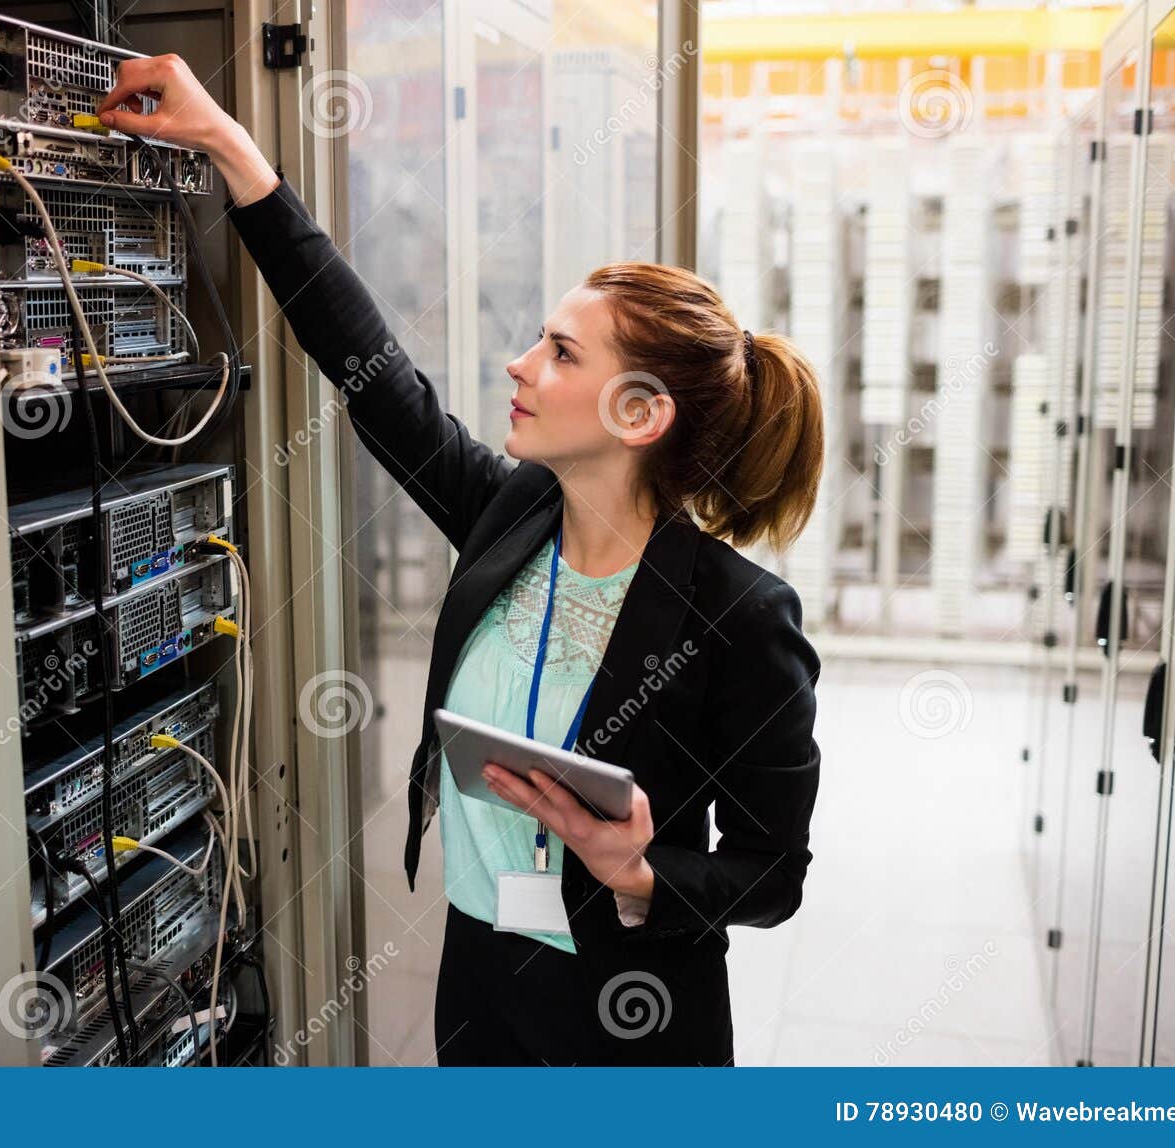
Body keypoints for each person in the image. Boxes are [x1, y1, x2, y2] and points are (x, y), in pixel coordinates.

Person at [97, 56, 824, 1066]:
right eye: (539, 341)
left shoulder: (740, 614)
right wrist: (234, 150)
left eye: (564, 353)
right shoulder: (510, 514)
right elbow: (373, 372)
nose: (522, 365)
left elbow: (771, 872)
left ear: (640, 412)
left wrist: (641, 871)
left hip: (629, 1007)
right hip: (481, 977)